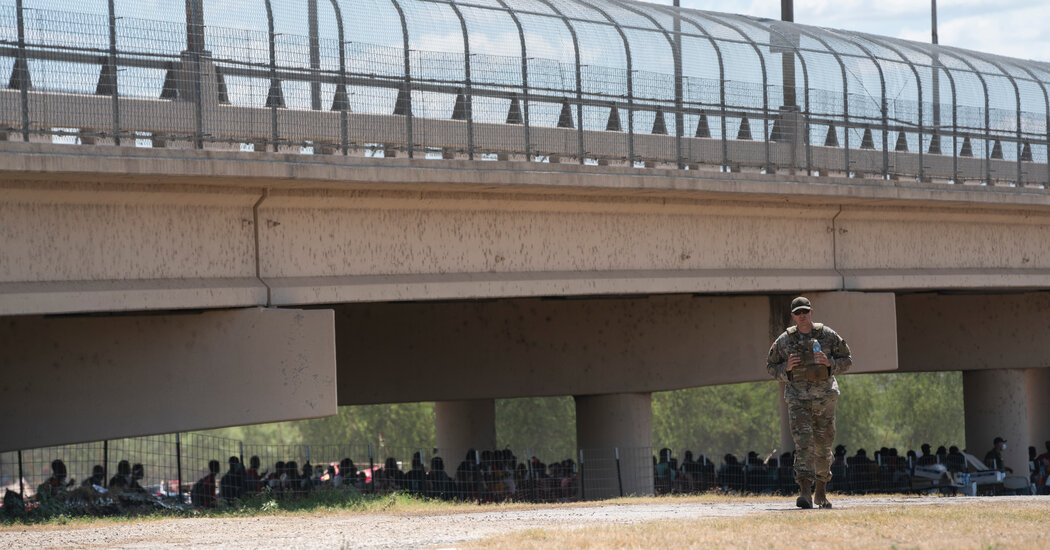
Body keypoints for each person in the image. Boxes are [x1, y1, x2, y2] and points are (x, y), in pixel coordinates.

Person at [767, 296, 852, 509]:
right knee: (803, 444)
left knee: (823, 445)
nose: (802, 315)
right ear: (793, 316)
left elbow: (848, 360)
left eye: (805, 311)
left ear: (811, 313)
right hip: (798, 399)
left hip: (824, 399)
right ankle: (804, 491)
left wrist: (829, 363)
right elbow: (770, 366)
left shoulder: (828, 335)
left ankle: (821, 492)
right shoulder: (784, 340)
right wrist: (785, 368)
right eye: (798, 312)